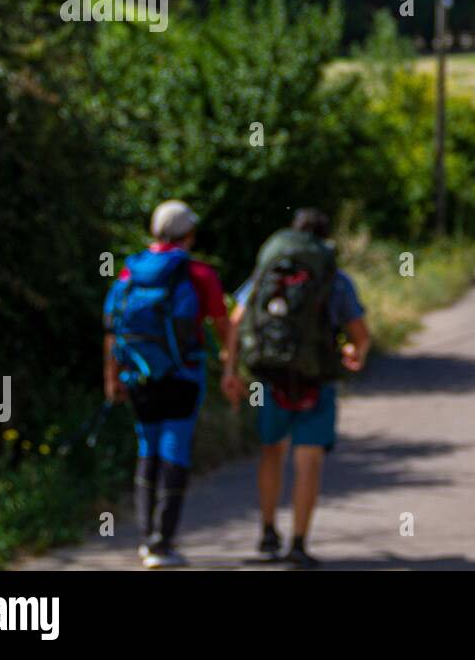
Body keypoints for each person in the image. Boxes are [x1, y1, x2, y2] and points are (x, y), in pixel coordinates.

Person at [103, 200, 243, 568]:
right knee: (174, 449)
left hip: (138, 376)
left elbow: (113, 328)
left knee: (147, 449)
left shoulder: (129, 273)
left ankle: (146, 539)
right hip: (183, 375)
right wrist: (230, 369)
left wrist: (112, 377)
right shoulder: (198, 274)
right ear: (189, 235)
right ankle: (162, 543)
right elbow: (223, 325)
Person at [229, 208, 371, 568]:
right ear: (324, 239)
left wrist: (230, 369)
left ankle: (266, 532)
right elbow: (359, 335)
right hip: (315, 379)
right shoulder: (334, 278)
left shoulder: (269, 270)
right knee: (308, 460)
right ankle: (298, 544)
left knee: (271, 451)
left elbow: (236, 319)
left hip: (271, 375)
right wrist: (355, 354)